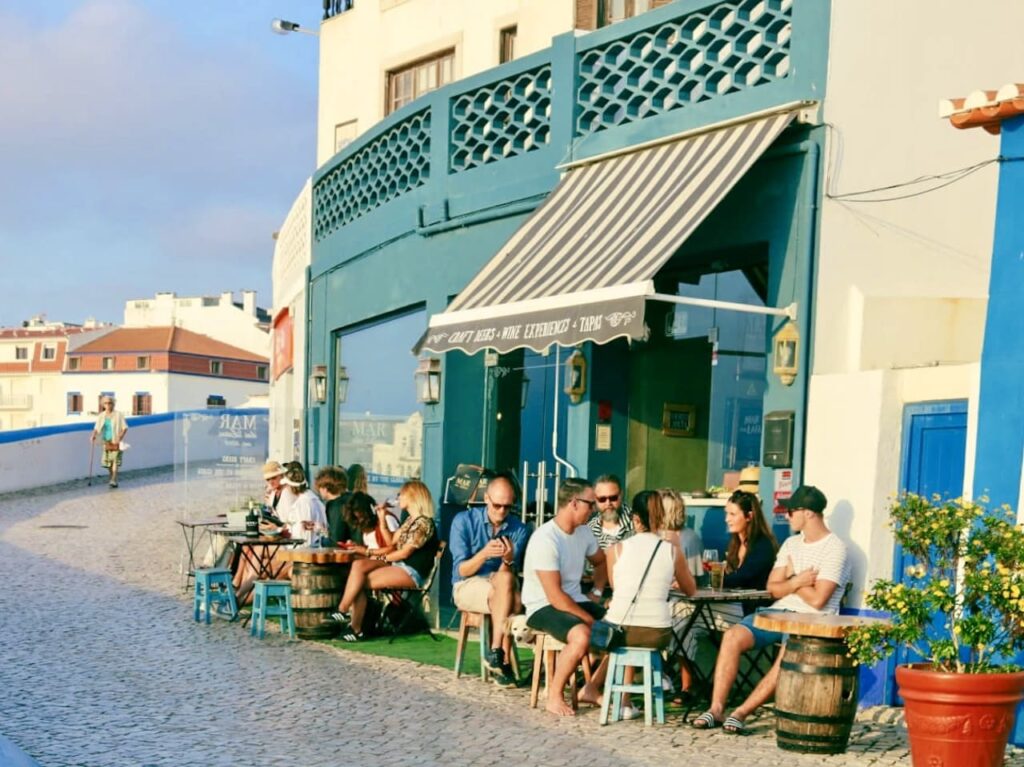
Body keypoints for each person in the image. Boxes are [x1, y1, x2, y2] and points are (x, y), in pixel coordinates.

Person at [693, 485, 850, 734]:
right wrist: (799, 582)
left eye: (790, 511)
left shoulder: (835, 548)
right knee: (733, 636)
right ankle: (716, 708)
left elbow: (819, 599)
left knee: (786, 655)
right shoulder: (791, 543)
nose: (786, 516)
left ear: (807, 513)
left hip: (812, 619)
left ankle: (741, 712)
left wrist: (792, 578)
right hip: (778, 611)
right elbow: (772, 588)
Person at [604, 490, 697, 718]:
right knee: (643, 626)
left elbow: (618, 588)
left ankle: (624, 703)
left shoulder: (616, 550)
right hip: (657, 633)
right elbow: (691, 589)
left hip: (619, 631)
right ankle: (660, 682)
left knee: (628, 625)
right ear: (660, 518)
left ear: (635, 518)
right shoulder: (671, 550)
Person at [521, 477, 608, 717]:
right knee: (581, 634)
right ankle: (554, 695)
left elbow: (602, 563)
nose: (594, 509)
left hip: (574, 598)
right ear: (573, 503)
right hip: (542, 605)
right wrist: (588, 619)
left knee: (620, 627)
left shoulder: (584, 532)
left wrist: (598, 592)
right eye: (591, 503)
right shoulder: (545, 538)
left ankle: (591, 688)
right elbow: (556, 597)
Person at [330, 479, 439, 641]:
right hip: (399, 565)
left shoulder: (424, 523)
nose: (398, 498)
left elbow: (404, 553)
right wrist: (382, 518)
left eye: (401, 494)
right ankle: (350, 621)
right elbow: (391, 543)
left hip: (411, 571)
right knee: (359, 567)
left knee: (359, 580)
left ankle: (350, 620)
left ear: (412, 496)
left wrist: (380, 557)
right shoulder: (410, 521)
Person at [450, 475, 531, 688]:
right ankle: (501, 659)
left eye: (507, 506)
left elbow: (507, 572)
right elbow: (461, 570)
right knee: (513, 599)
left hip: (499, 584)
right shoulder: (463, 521)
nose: (502, 511)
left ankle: (496, 653)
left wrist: (507, 558)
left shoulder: (519, 529)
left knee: (505, 578)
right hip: (467, 583)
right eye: (497, 505)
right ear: (486, 498)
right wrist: (484, 554)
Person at [279, 464, 328, 544]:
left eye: (287, 485)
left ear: (291, 486)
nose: (286, 488)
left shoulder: (304, 503)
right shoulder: (312, 498)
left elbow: (305, 535)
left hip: (303, 550)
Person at [587, 474, 633, 550]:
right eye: (602, 499)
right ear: (594, 499)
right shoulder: (589, 530)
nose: (608, 503)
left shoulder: (638, 523)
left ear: (621, 495)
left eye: (613, 498)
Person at [91, 396, 127, 488]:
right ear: (103, 404)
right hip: (106, 441)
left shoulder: (118, 415)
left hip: (116, 441)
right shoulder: (101, 416)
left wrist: (120, 437)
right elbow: (96, 427)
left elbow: (125, 427)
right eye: (106, 403)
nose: (108, 405)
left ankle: (114, 479)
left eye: (110, 403)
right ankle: (112, 478)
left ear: (113, 404)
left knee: (115, 460)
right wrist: (93, 435)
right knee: (108, 463)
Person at [315, 466, 351, 544]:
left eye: (319, 487)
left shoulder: (336, 506)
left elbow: (336, 538)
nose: (319, 491)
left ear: (325, 488)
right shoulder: (349, 499)